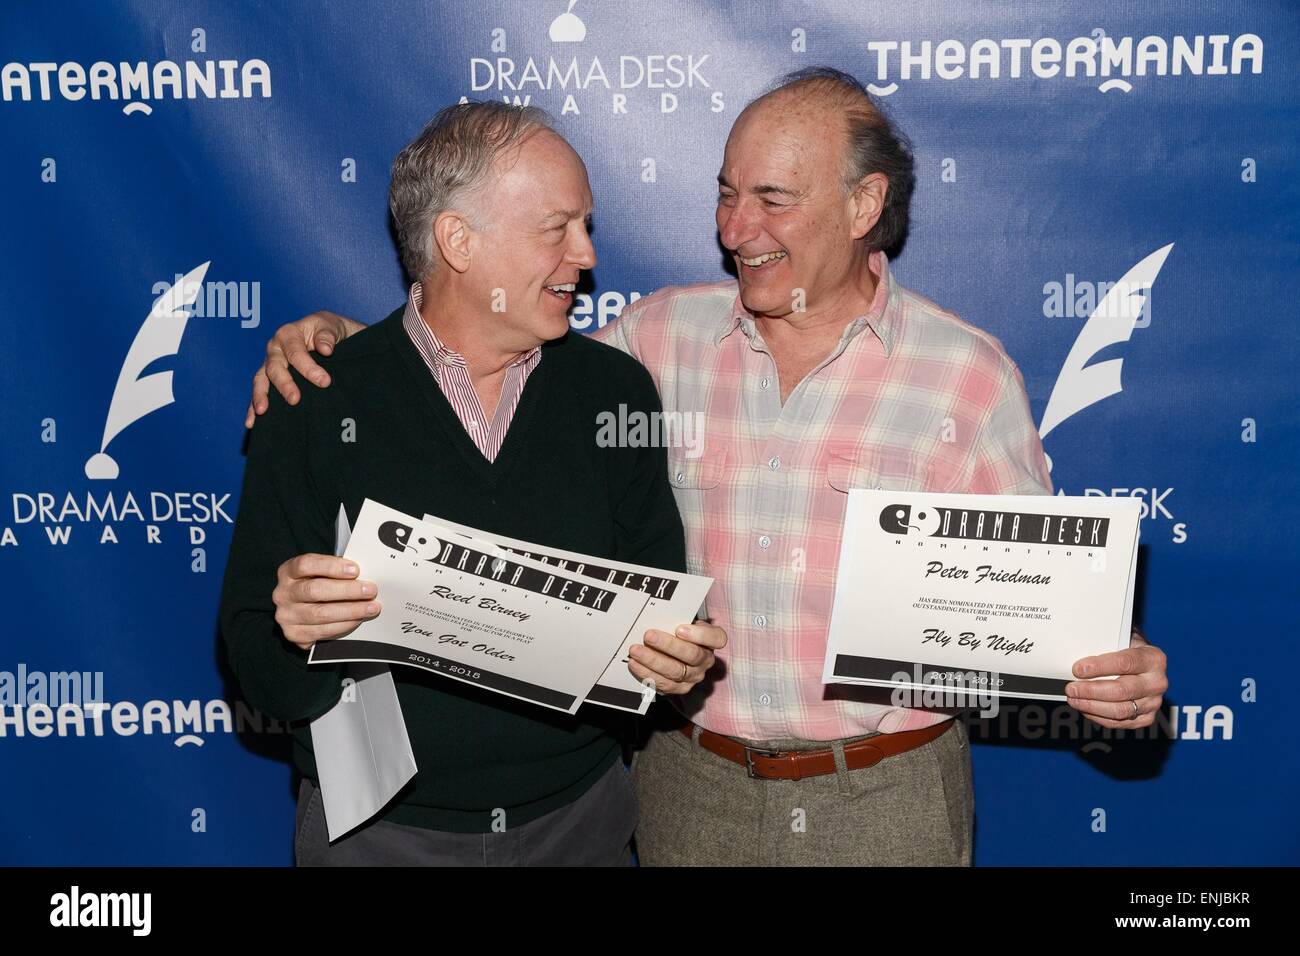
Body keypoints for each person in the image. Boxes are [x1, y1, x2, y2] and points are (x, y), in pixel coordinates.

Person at [244, 69, 1168, 866]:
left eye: (772, 199)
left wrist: (1112, 675)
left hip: (884, 799)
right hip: (685, 791)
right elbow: (484, 346)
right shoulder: (658, 341)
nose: (735, 228)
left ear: (864, 206)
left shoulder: (967, 374)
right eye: (726, 194)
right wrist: (348, 345)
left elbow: (1036, 609)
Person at [220, 101, 726, 867]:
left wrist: (675, 662)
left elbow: (659, 613)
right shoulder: (316, 396)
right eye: (557, 228)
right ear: (457, 240)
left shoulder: (615, 393)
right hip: (378, 837)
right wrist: (299, 634)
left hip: (579, 824)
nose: (586, 254)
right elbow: (258, 659)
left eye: (585, 224)